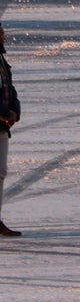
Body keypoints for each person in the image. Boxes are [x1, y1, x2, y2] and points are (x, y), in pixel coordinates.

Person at [0, 22, 21, 236]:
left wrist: (15, 110)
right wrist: (6, 113)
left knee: (0, 173)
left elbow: (10, 88)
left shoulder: (1, 59)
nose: (3, 37)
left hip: (2, 126)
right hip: (2, 120)